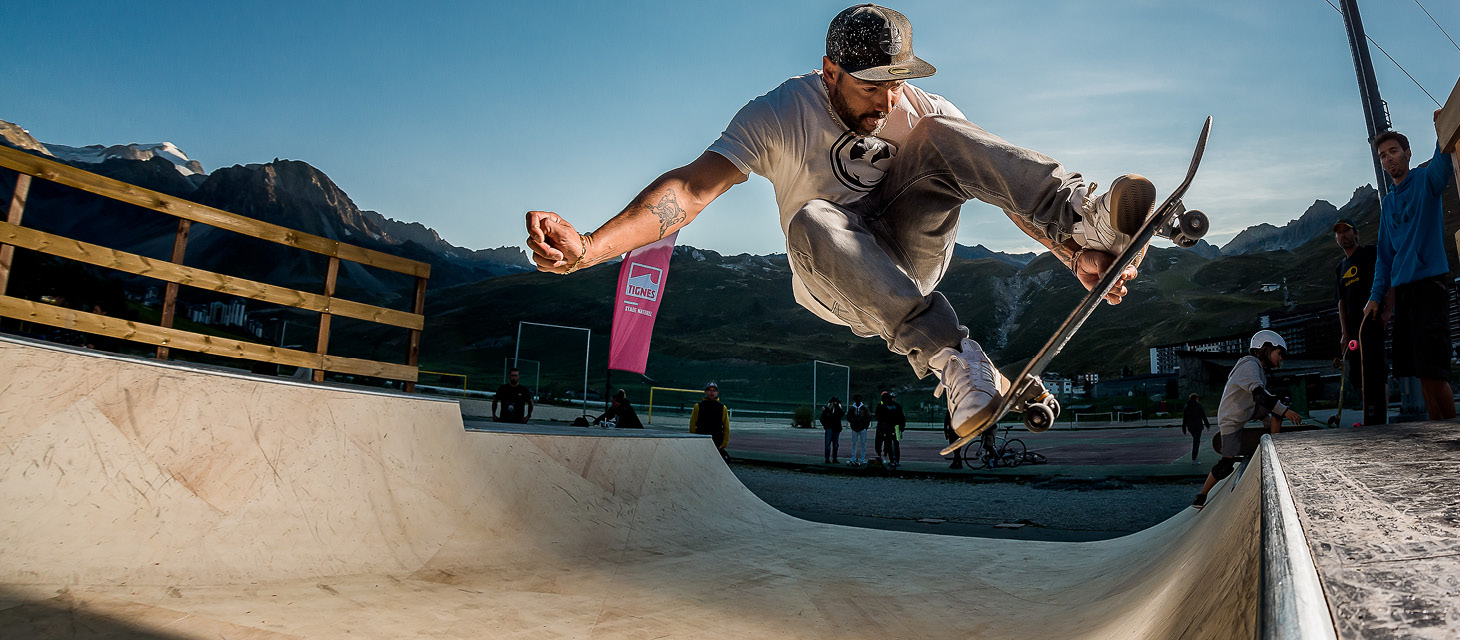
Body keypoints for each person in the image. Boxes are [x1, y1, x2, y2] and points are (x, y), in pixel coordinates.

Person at [525, 4, 1154, 447]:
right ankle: (952, 358)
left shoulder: (916, 109)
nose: (887, 104)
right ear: (829, 73)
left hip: (911, 254)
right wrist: (586, 249)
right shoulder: (779, 113)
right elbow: (689, 190)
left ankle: (1083, 215)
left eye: (896, 85)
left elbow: (998, 191)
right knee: (815, 218)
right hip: (832, 272)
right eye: (870, 88)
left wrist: (1073, 255)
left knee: (943, 135)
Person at [1364, 116, 1455, 421]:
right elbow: (1385, 256)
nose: (1388, 158)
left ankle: (1451, 433)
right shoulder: (1388, 204)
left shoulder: (1425, 181)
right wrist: (1376, 296)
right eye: (1383, 155)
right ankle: (1437, 431)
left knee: (1433, 369)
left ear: (1407, 152)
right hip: (1403, 293)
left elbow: (1443, 164)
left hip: (1430, 284)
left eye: (1393, 151)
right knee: (1415, 370)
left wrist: (1441, 128)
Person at [1192, 331, 1302, 509]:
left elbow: (1263, 399)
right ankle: (1201, 494)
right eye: (1279, 353)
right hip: (1231, 418)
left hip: (1249, 410)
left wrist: (1276, 412)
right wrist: (1285, 411)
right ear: (1266, 348)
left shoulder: (1260, 371)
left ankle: (1274, 443)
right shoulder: (1249, 365)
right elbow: (1260, 396)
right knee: (1226, 466)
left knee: (1275, 405)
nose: (1280, 359)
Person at [1333, 217, 1390, 425]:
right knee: (1361, 377)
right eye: (1339, 233)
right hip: (1352, 332)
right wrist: (1344, 332)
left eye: (1347, 231)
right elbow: (1341, 302)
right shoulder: (1340, 268)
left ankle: (1381, 420)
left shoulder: (1370, 253)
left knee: (1377, 373)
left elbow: (1388, 279)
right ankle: (1370, 417)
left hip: (1372, 323)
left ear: (1356, 234)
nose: (1343, 235)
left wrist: (1387, 312)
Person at [689, 382, 730, 460]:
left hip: (716, 441)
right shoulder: (698, 406)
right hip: (701, 440)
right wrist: (693, 439)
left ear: (717, 393)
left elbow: (726, 427)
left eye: (714, 390)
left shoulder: (722, 408)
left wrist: (724, 442)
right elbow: (692, 425)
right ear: (705, 392)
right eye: (709, 390)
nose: (711, 392)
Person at [875, 391, 906, 470]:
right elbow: (902, 417)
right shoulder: (897, 406)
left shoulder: (883, 407)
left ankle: (893, 461)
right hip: (896, 427)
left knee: (889, 444)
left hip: (888, 428)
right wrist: (902, 427)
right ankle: (896, 461)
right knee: (895, 445)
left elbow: (880, 418)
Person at [1181, 393, 1211, 463]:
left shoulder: (1186, 407)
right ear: (1196, 398)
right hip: (1198, 426)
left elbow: (1184, 419)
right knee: (1196, 442)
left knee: (1195, 440)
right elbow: (1203, 416)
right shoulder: (1199, 406)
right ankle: (1194, 458)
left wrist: (1184, 429)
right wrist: (1207, 425)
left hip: (1190, 427)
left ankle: (1194, 457)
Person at [846, 393, 871, 466]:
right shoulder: (852, 408)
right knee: (854, 443)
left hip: (862, 428)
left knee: (863, 443)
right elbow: (848, 417)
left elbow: (868, 417)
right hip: (855, 428)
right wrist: (853, 422)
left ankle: (862, 457)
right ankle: (853, 457)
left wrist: (865, 426)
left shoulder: (864, 408)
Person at [819, 396, 846, 463]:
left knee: (835, 444)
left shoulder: (838, 410)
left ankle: (834, 458)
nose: (834, 403)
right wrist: (826, 426)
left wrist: (838, 407)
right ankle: (827, 458)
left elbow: (842, 414)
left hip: (836, 428)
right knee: (828, 444)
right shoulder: (827, 410)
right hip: (829, 428)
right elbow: (822, 418)